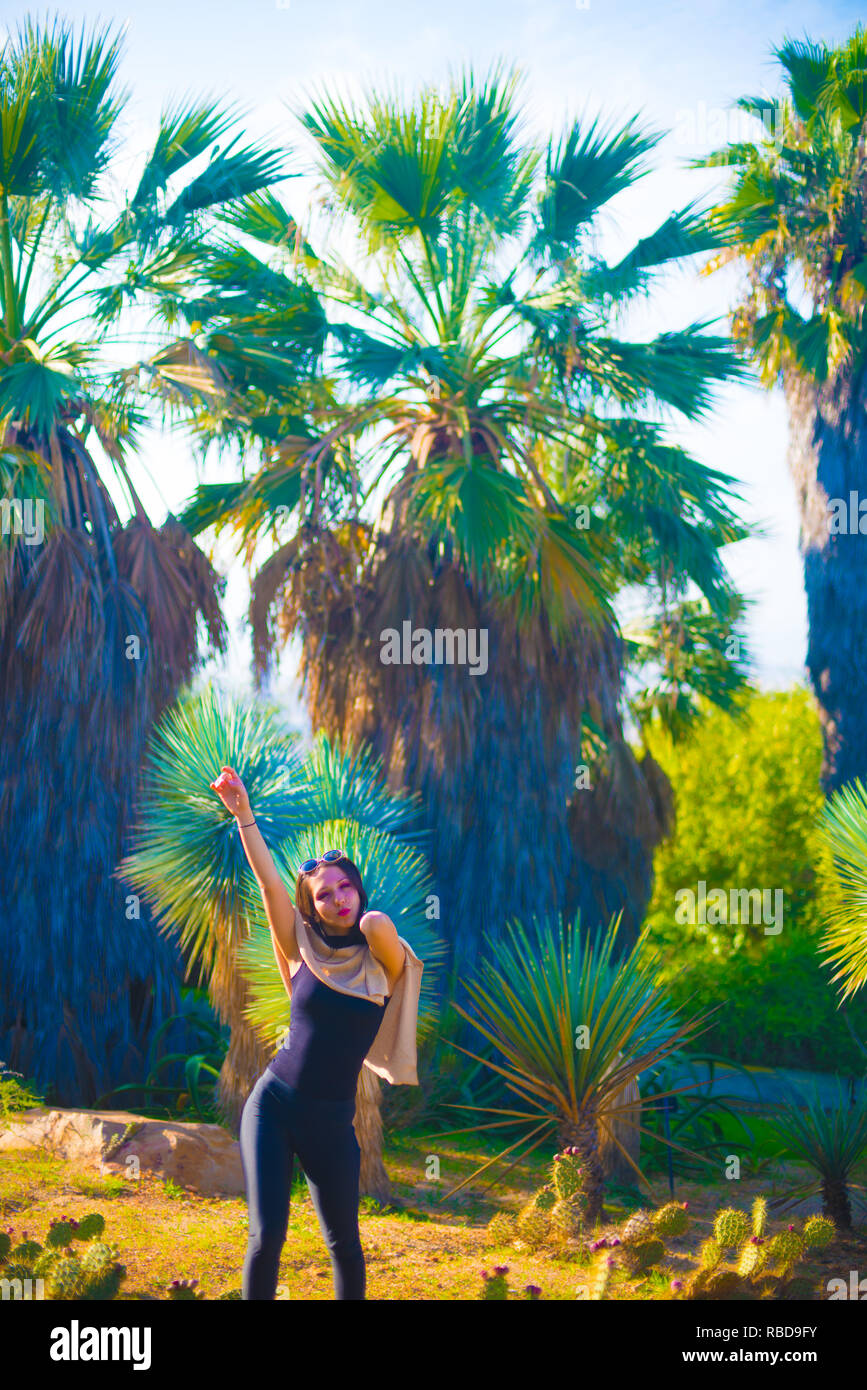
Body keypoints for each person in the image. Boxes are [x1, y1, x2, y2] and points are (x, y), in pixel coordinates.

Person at [209, 765, 420, 1301]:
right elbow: (269, 883)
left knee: (343, 1243)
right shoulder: (299, 950)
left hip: (332, 1122)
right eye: (325, 895)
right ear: (311, 907)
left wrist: (367, 917)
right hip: (273, 1104)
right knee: (266, 1238)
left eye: (346, 885)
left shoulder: (383, 962)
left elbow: (376, 926)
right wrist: (243, 816)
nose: (340, 898)